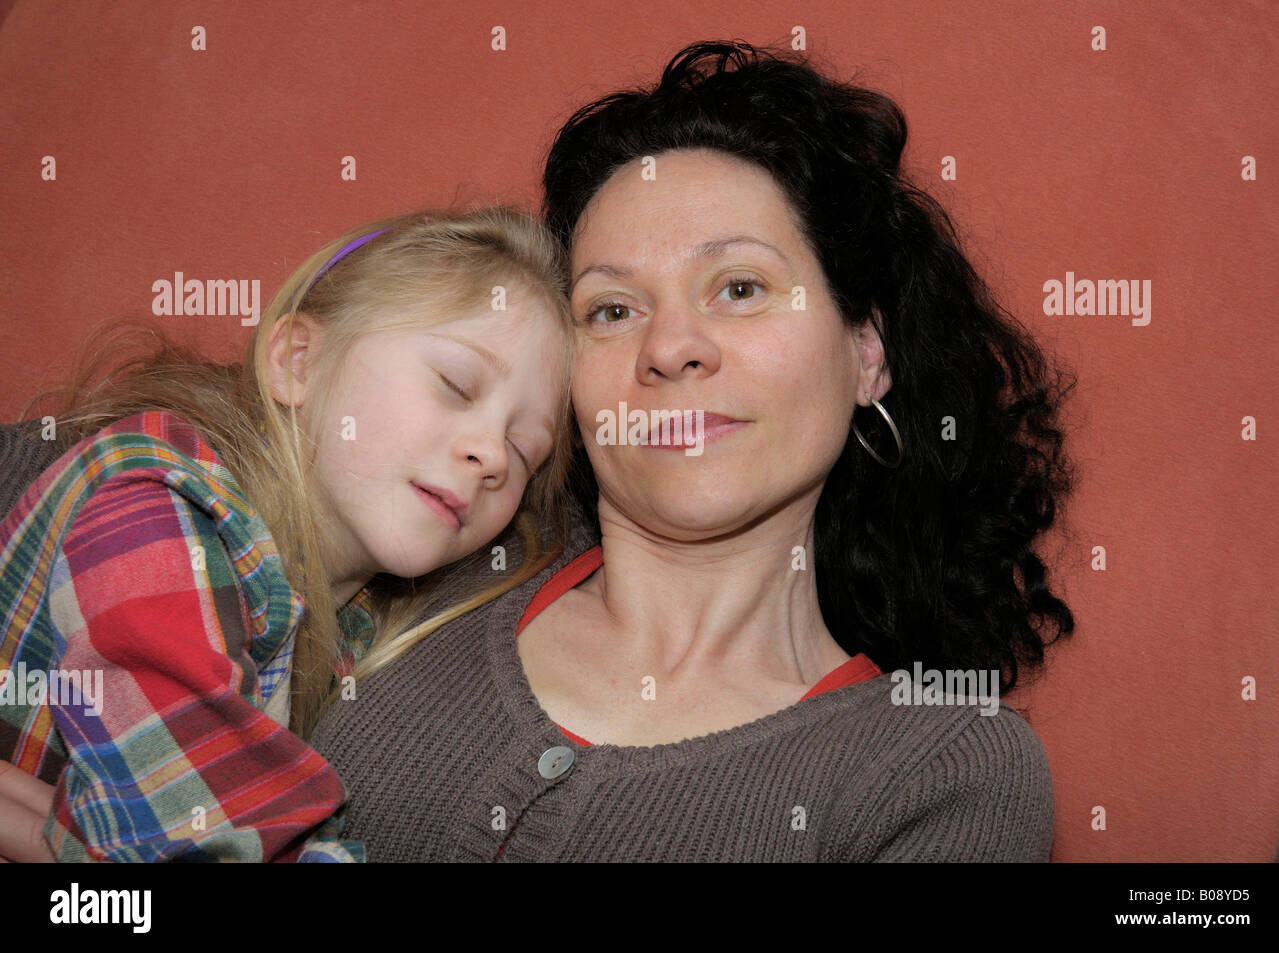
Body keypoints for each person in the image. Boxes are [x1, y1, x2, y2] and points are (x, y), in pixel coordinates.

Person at [304, 41, 1079, 861]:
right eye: (611, 310)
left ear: (866, 353)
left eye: (740, 288)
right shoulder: (432, 544)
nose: (671, 347)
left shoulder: (942, 770)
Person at [0, 207, 575, 861]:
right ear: (298, 360)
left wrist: (44, 826)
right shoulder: (154, 512)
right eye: (455, 384)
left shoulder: (354, 626)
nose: (493, 455)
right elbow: (195, 846)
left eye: (525, 449)